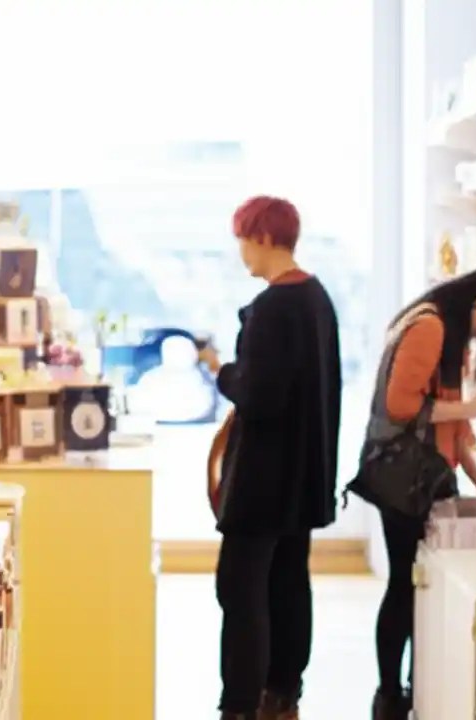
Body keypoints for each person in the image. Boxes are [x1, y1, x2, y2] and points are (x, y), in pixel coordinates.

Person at [199, 196, 342, 720]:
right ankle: (282, 695)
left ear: (261, 237)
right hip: (302, 475)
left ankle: (239, 704)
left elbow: (259, 395)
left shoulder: (270, 308)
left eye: (242, 239)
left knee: (239, 589)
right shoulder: (316, 298)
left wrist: (222, 370)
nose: (241, 252)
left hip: (262, 480)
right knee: (287, 583)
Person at [365, 266, 476, 720]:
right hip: (404, 481)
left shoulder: (444, 328)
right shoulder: (431, 326)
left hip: (423, 477)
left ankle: (411, 691)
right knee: (403, 586)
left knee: (413, 587)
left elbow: (451, 425)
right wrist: (472, 406)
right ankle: (389, 695)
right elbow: (401, 405)